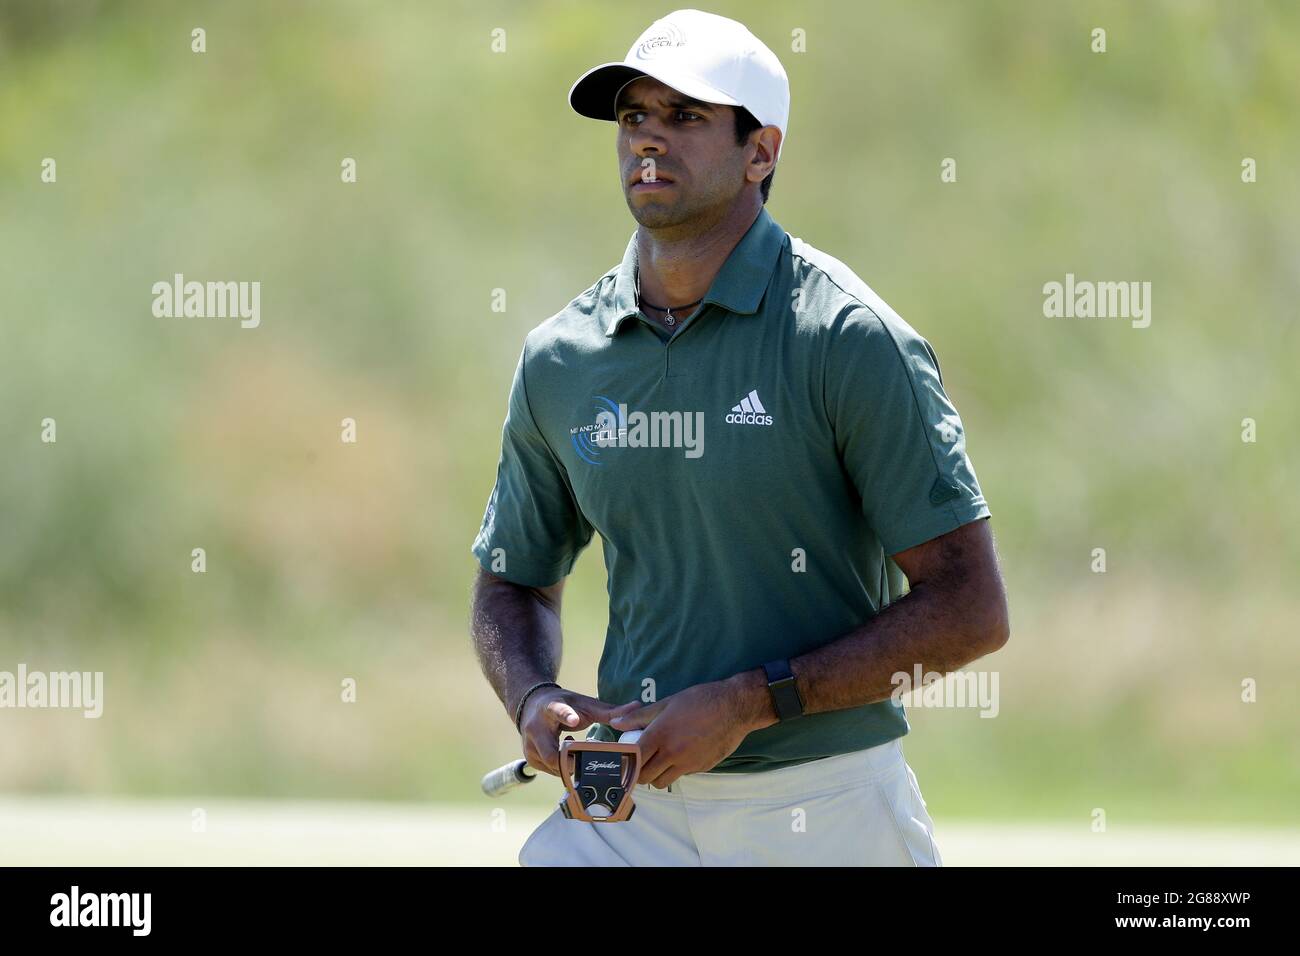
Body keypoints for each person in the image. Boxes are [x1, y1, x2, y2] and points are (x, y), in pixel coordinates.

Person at [469, 9, 1009, 866]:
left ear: (761, 153)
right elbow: (514, 583)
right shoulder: (561, 358)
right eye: (634, 116)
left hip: (824, 804)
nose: (649, 140)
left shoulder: (847, 339)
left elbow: (970, 609)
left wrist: (752, 701)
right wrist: (532, 696)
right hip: (629, 807)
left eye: (686, 118)